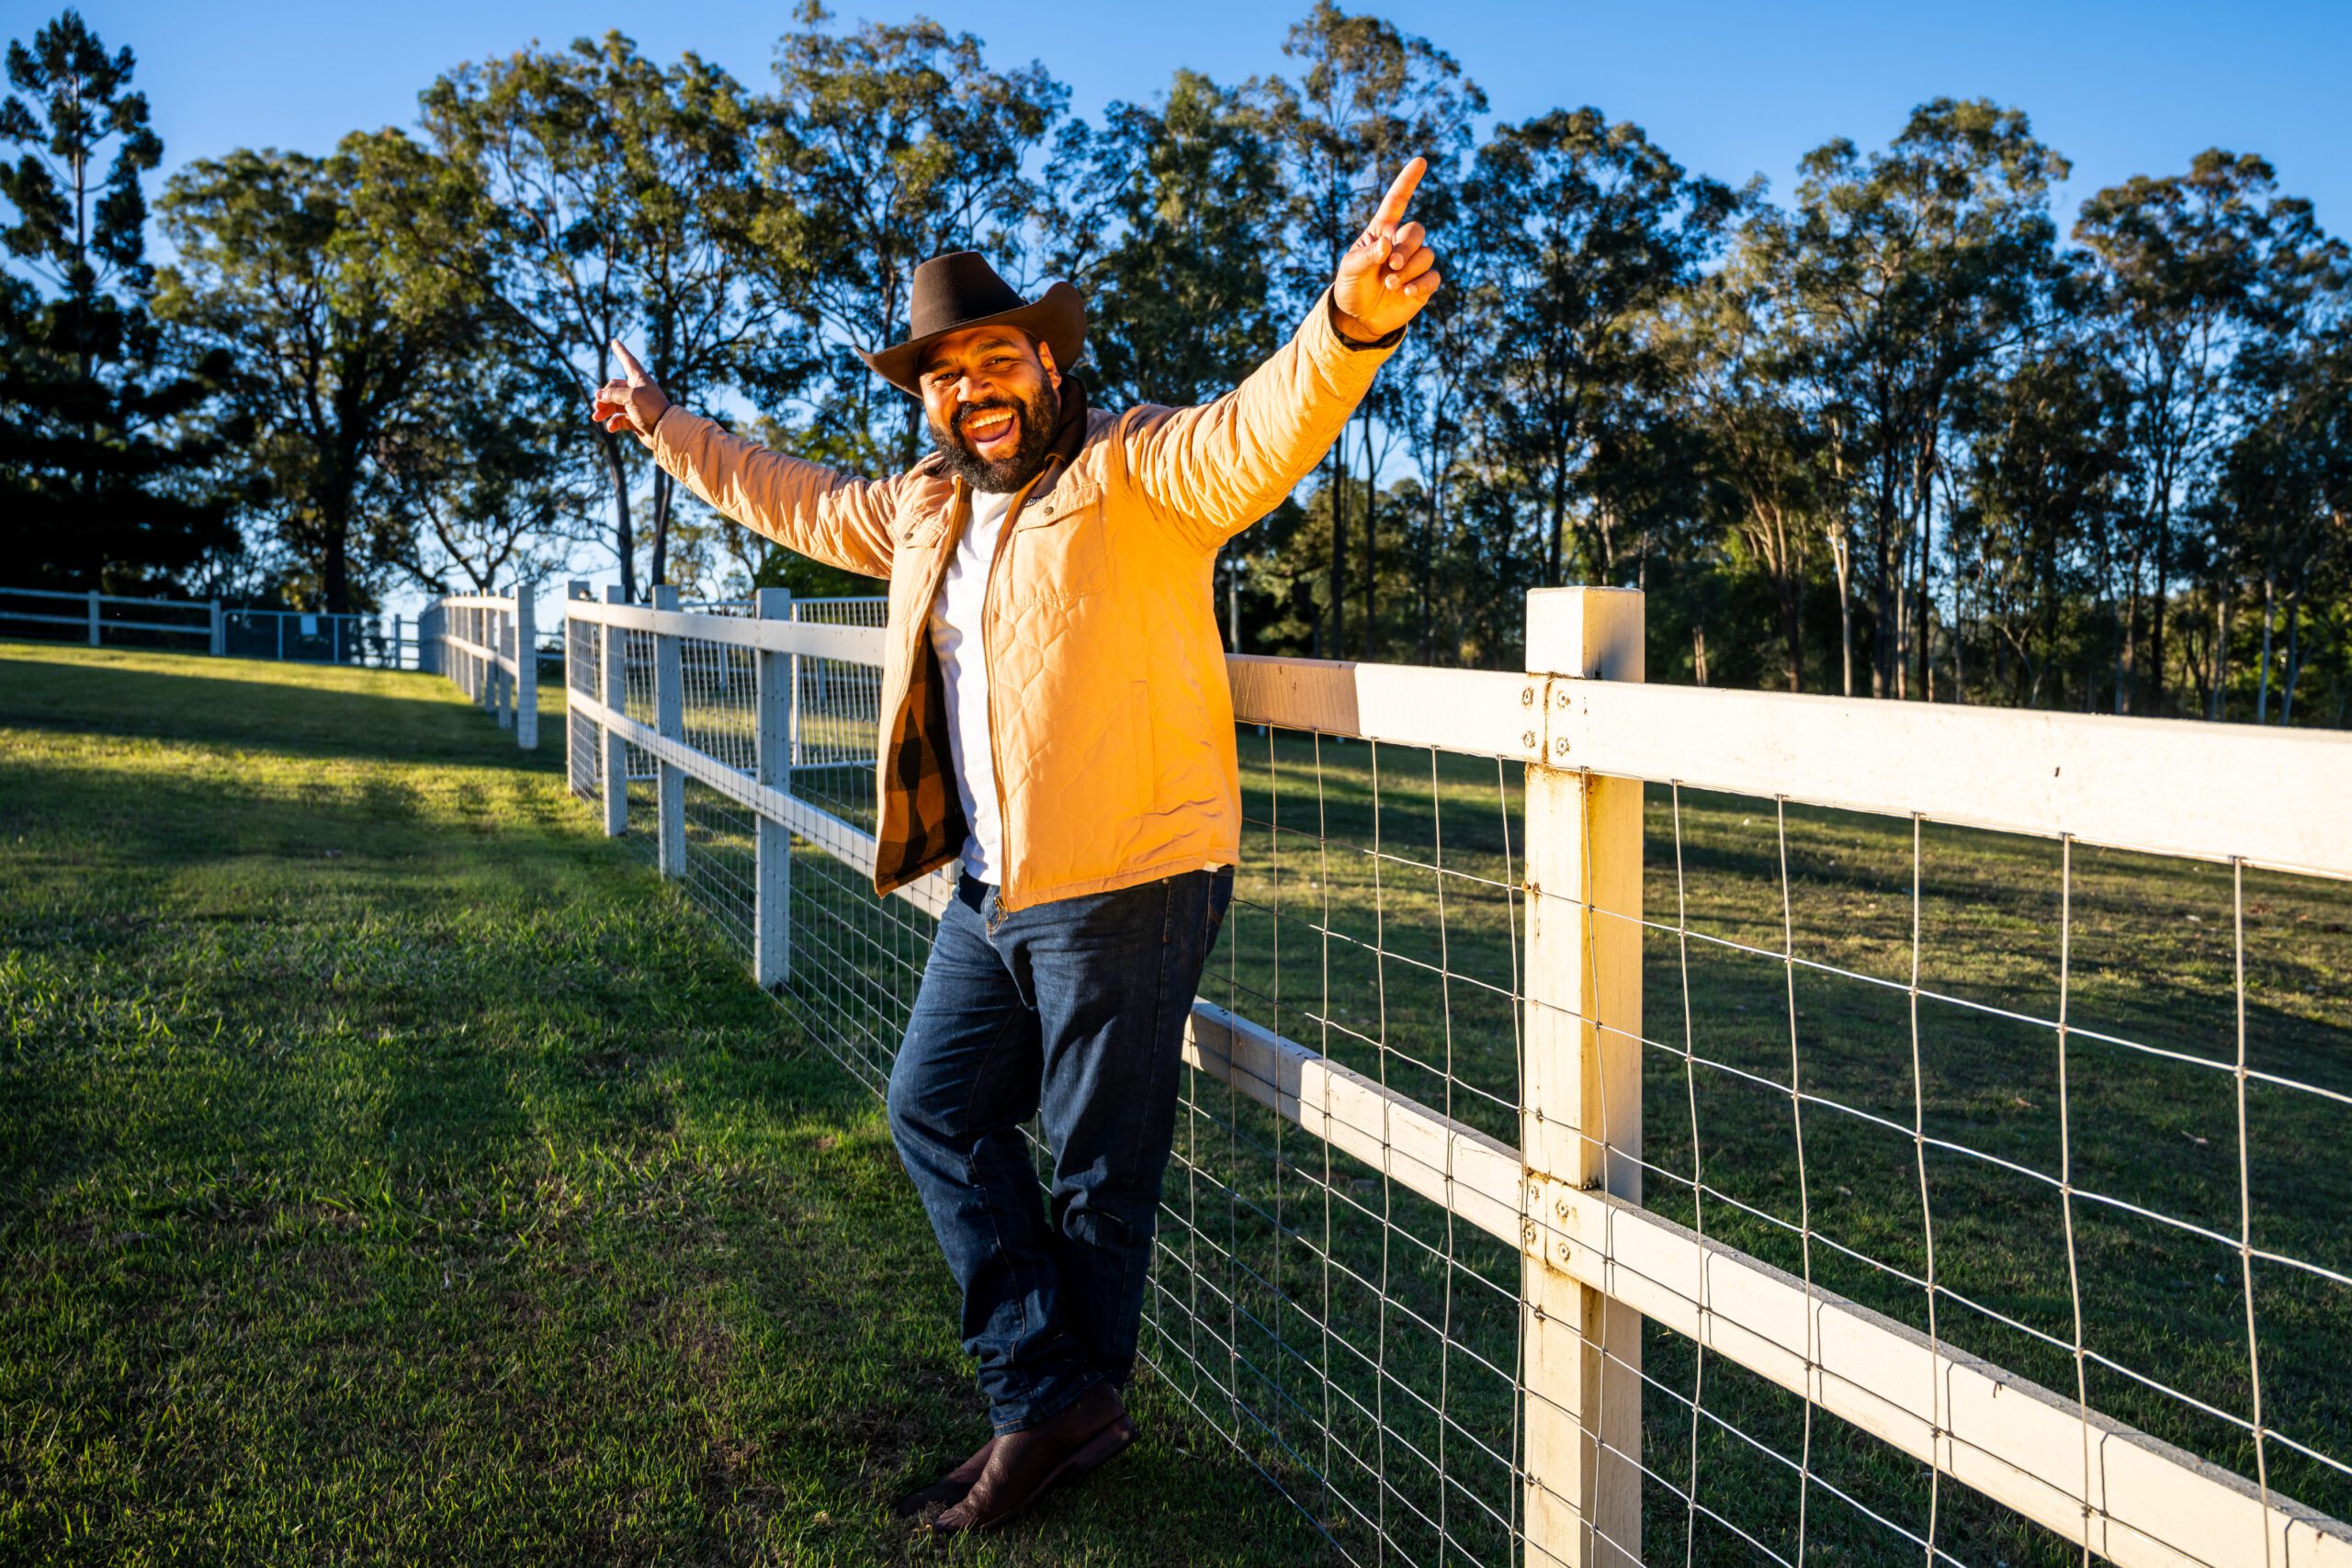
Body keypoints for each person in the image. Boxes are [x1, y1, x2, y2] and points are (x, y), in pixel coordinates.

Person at [591, 157, 1441, 1533]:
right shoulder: (924, 507)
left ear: (1047, 363)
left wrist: (1347, 322)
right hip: (992, 883)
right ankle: (1057, 1394)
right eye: (942, 378)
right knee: (934, 1106)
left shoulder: (1135, 470)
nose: (969, 391)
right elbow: (786, 493)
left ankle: (1048, 1414)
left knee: (1100, 1166)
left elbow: (1260, 431)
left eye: (994, 362)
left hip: (1129, 876)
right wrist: (663, 426)